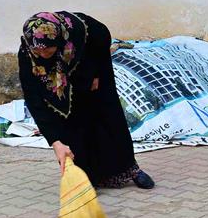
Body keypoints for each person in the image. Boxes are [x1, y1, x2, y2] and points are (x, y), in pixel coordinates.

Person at [18, 12, 155, 190]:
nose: (43, 54)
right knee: (72, 124)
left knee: (108, 118)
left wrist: (96, 73)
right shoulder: (28, 55)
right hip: (61, 85)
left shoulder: (79, 29)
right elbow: (33, 98)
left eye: (48, 49)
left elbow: (103, 37)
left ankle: (130, 169)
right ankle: (87, 177)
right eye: (38, 50)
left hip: (90, 73)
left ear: (59, 39)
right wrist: (55, 142)